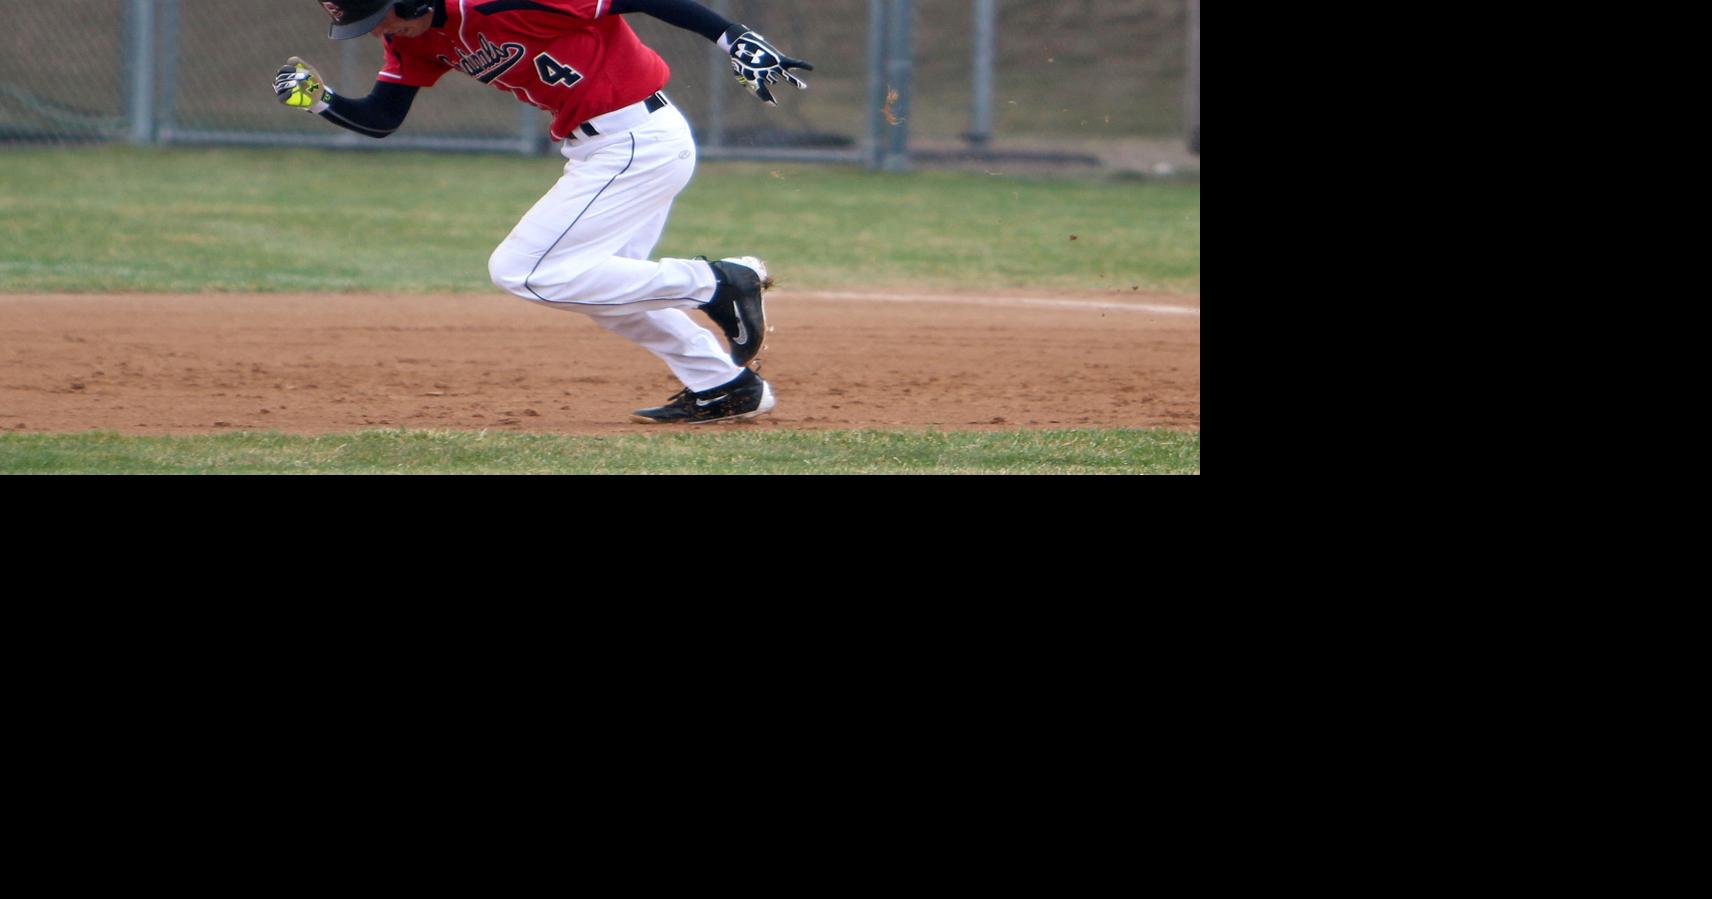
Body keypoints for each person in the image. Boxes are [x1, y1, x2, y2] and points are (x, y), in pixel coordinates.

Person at [275, 0, 813, 423]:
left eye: (377, 15)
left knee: (523, 271)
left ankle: (717, 283)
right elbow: (382, 118)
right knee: (603, 289)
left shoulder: (499, 2)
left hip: (635, 141)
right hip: (604, 148)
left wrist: (733, 36)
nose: (374, 31)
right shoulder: (412, 38)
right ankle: (725, 387)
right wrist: (321, 100)